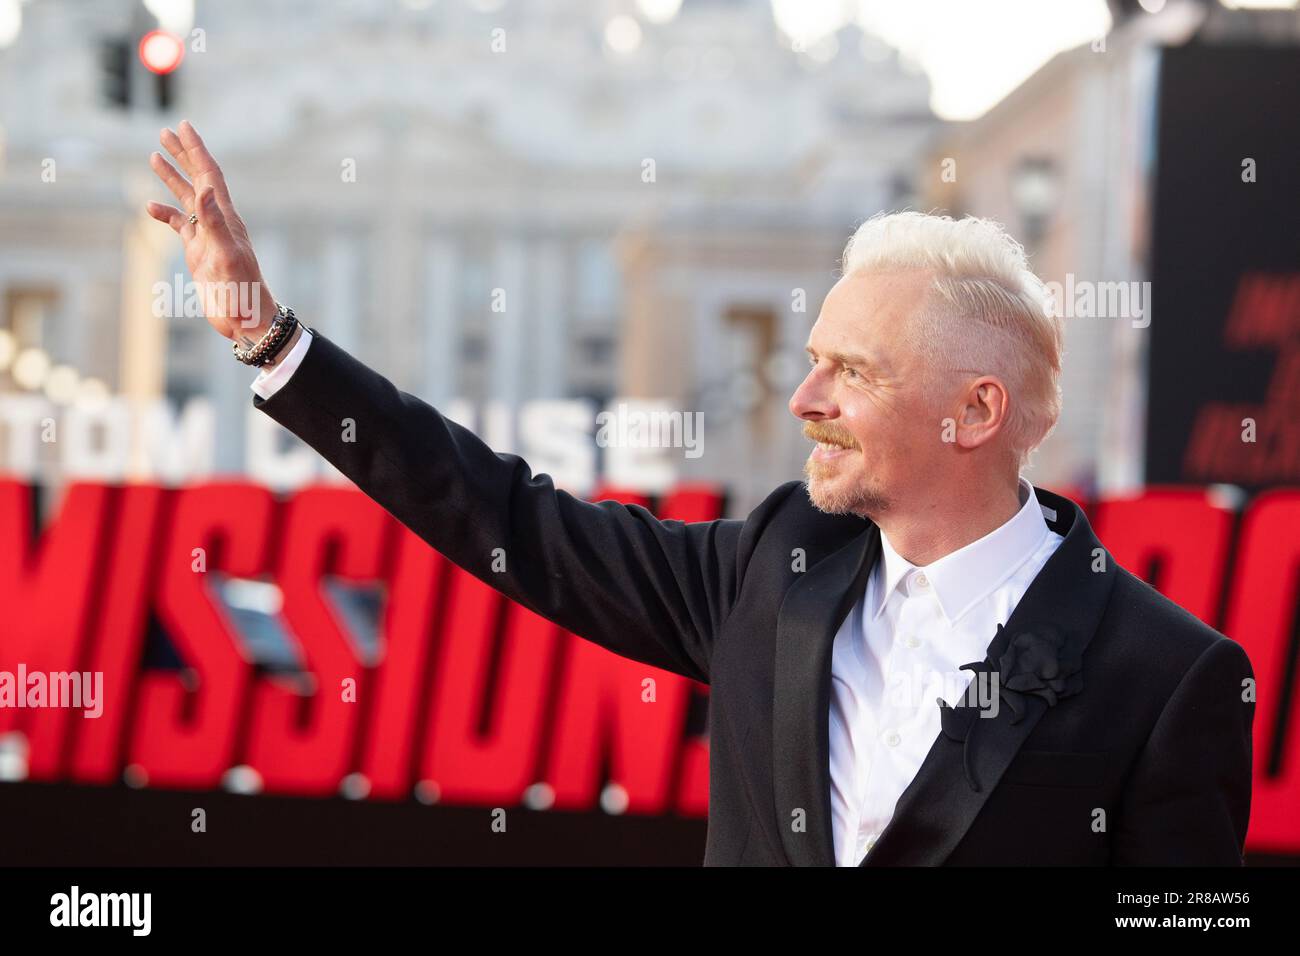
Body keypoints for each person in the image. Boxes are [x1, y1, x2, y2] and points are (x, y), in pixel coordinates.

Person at [146, 120, 1254, 866]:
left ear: (973, 412)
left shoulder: (1169, 677)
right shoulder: (775, 565)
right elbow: (510, 519)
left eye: (852, 370)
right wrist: (270, 340)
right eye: (813, 356)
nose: (804, 395)